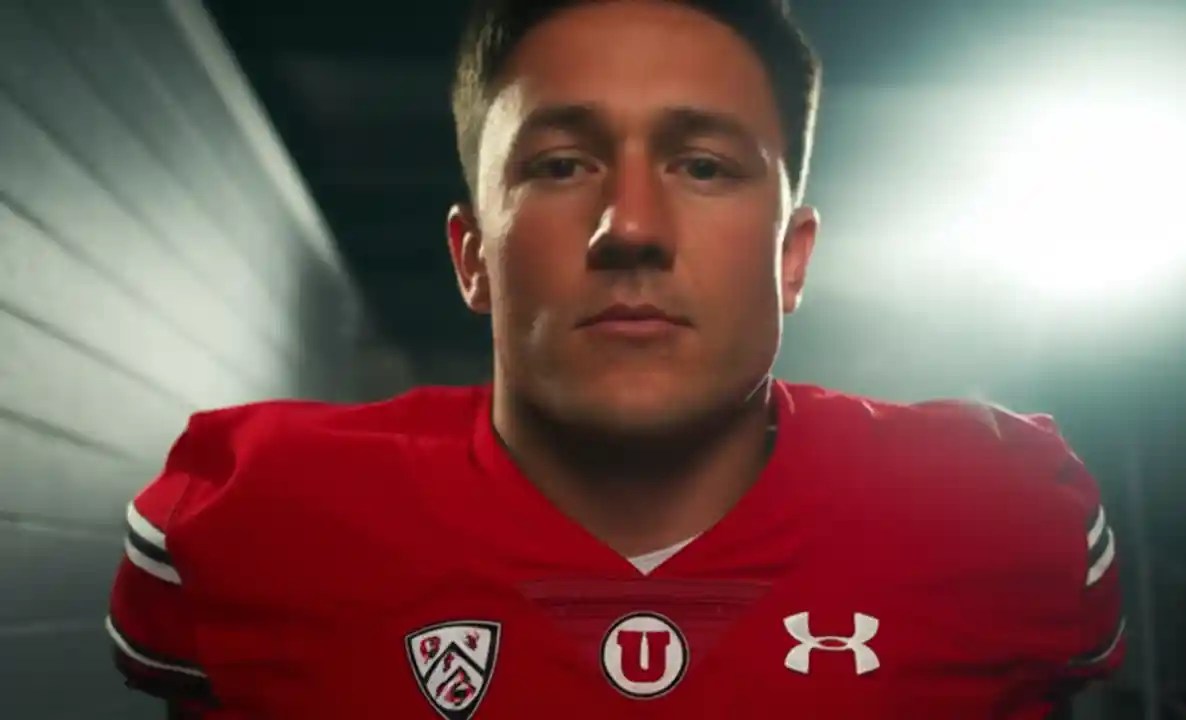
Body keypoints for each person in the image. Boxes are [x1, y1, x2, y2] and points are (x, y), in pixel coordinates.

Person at [106, 1, 1125, 717]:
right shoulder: (252, 520)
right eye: (559, 165)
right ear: (472, 256)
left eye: (703, 165)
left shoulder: (999, 515)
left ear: (791, 259)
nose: (628, 225)